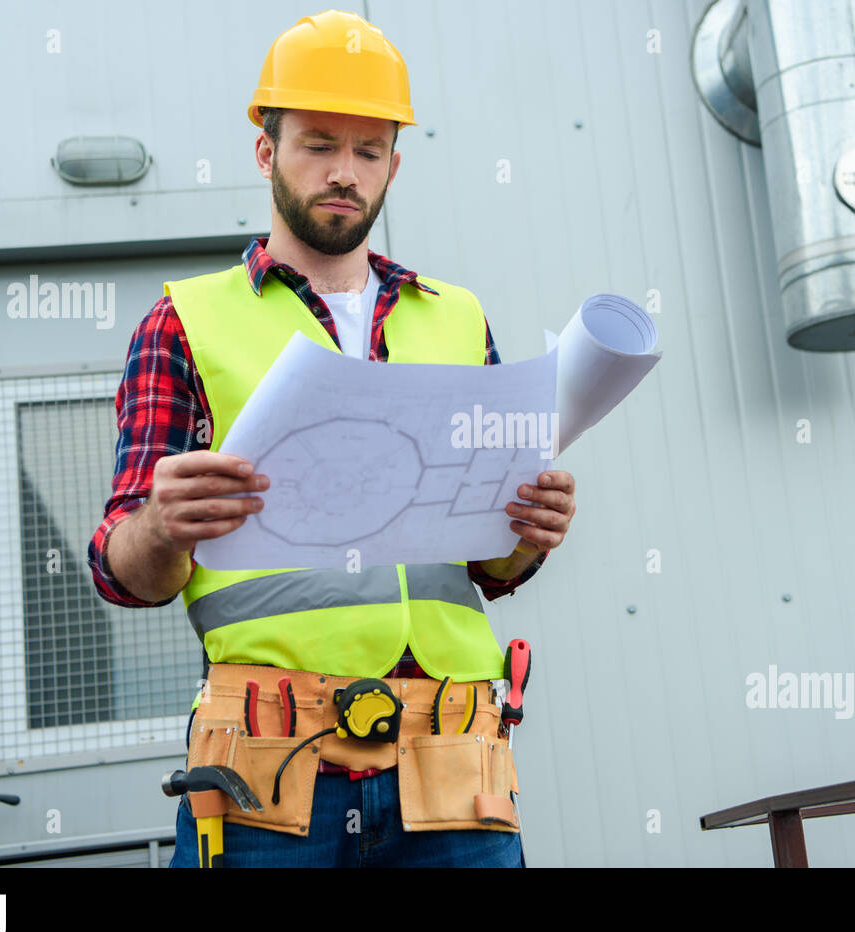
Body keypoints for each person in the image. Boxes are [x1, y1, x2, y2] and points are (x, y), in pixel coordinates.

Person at [87, 9, 576, 867]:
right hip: (272, 775)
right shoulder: (185, 322)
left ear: (394, 163)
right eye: (318, 144)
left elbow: (489, 570)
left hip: (453, 759)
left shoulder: (456, 320)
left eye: (368, 150)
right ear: (265, 150)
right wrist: (162, 527)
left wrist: (528, 533)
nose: (344, 172)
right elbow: (123, 572)